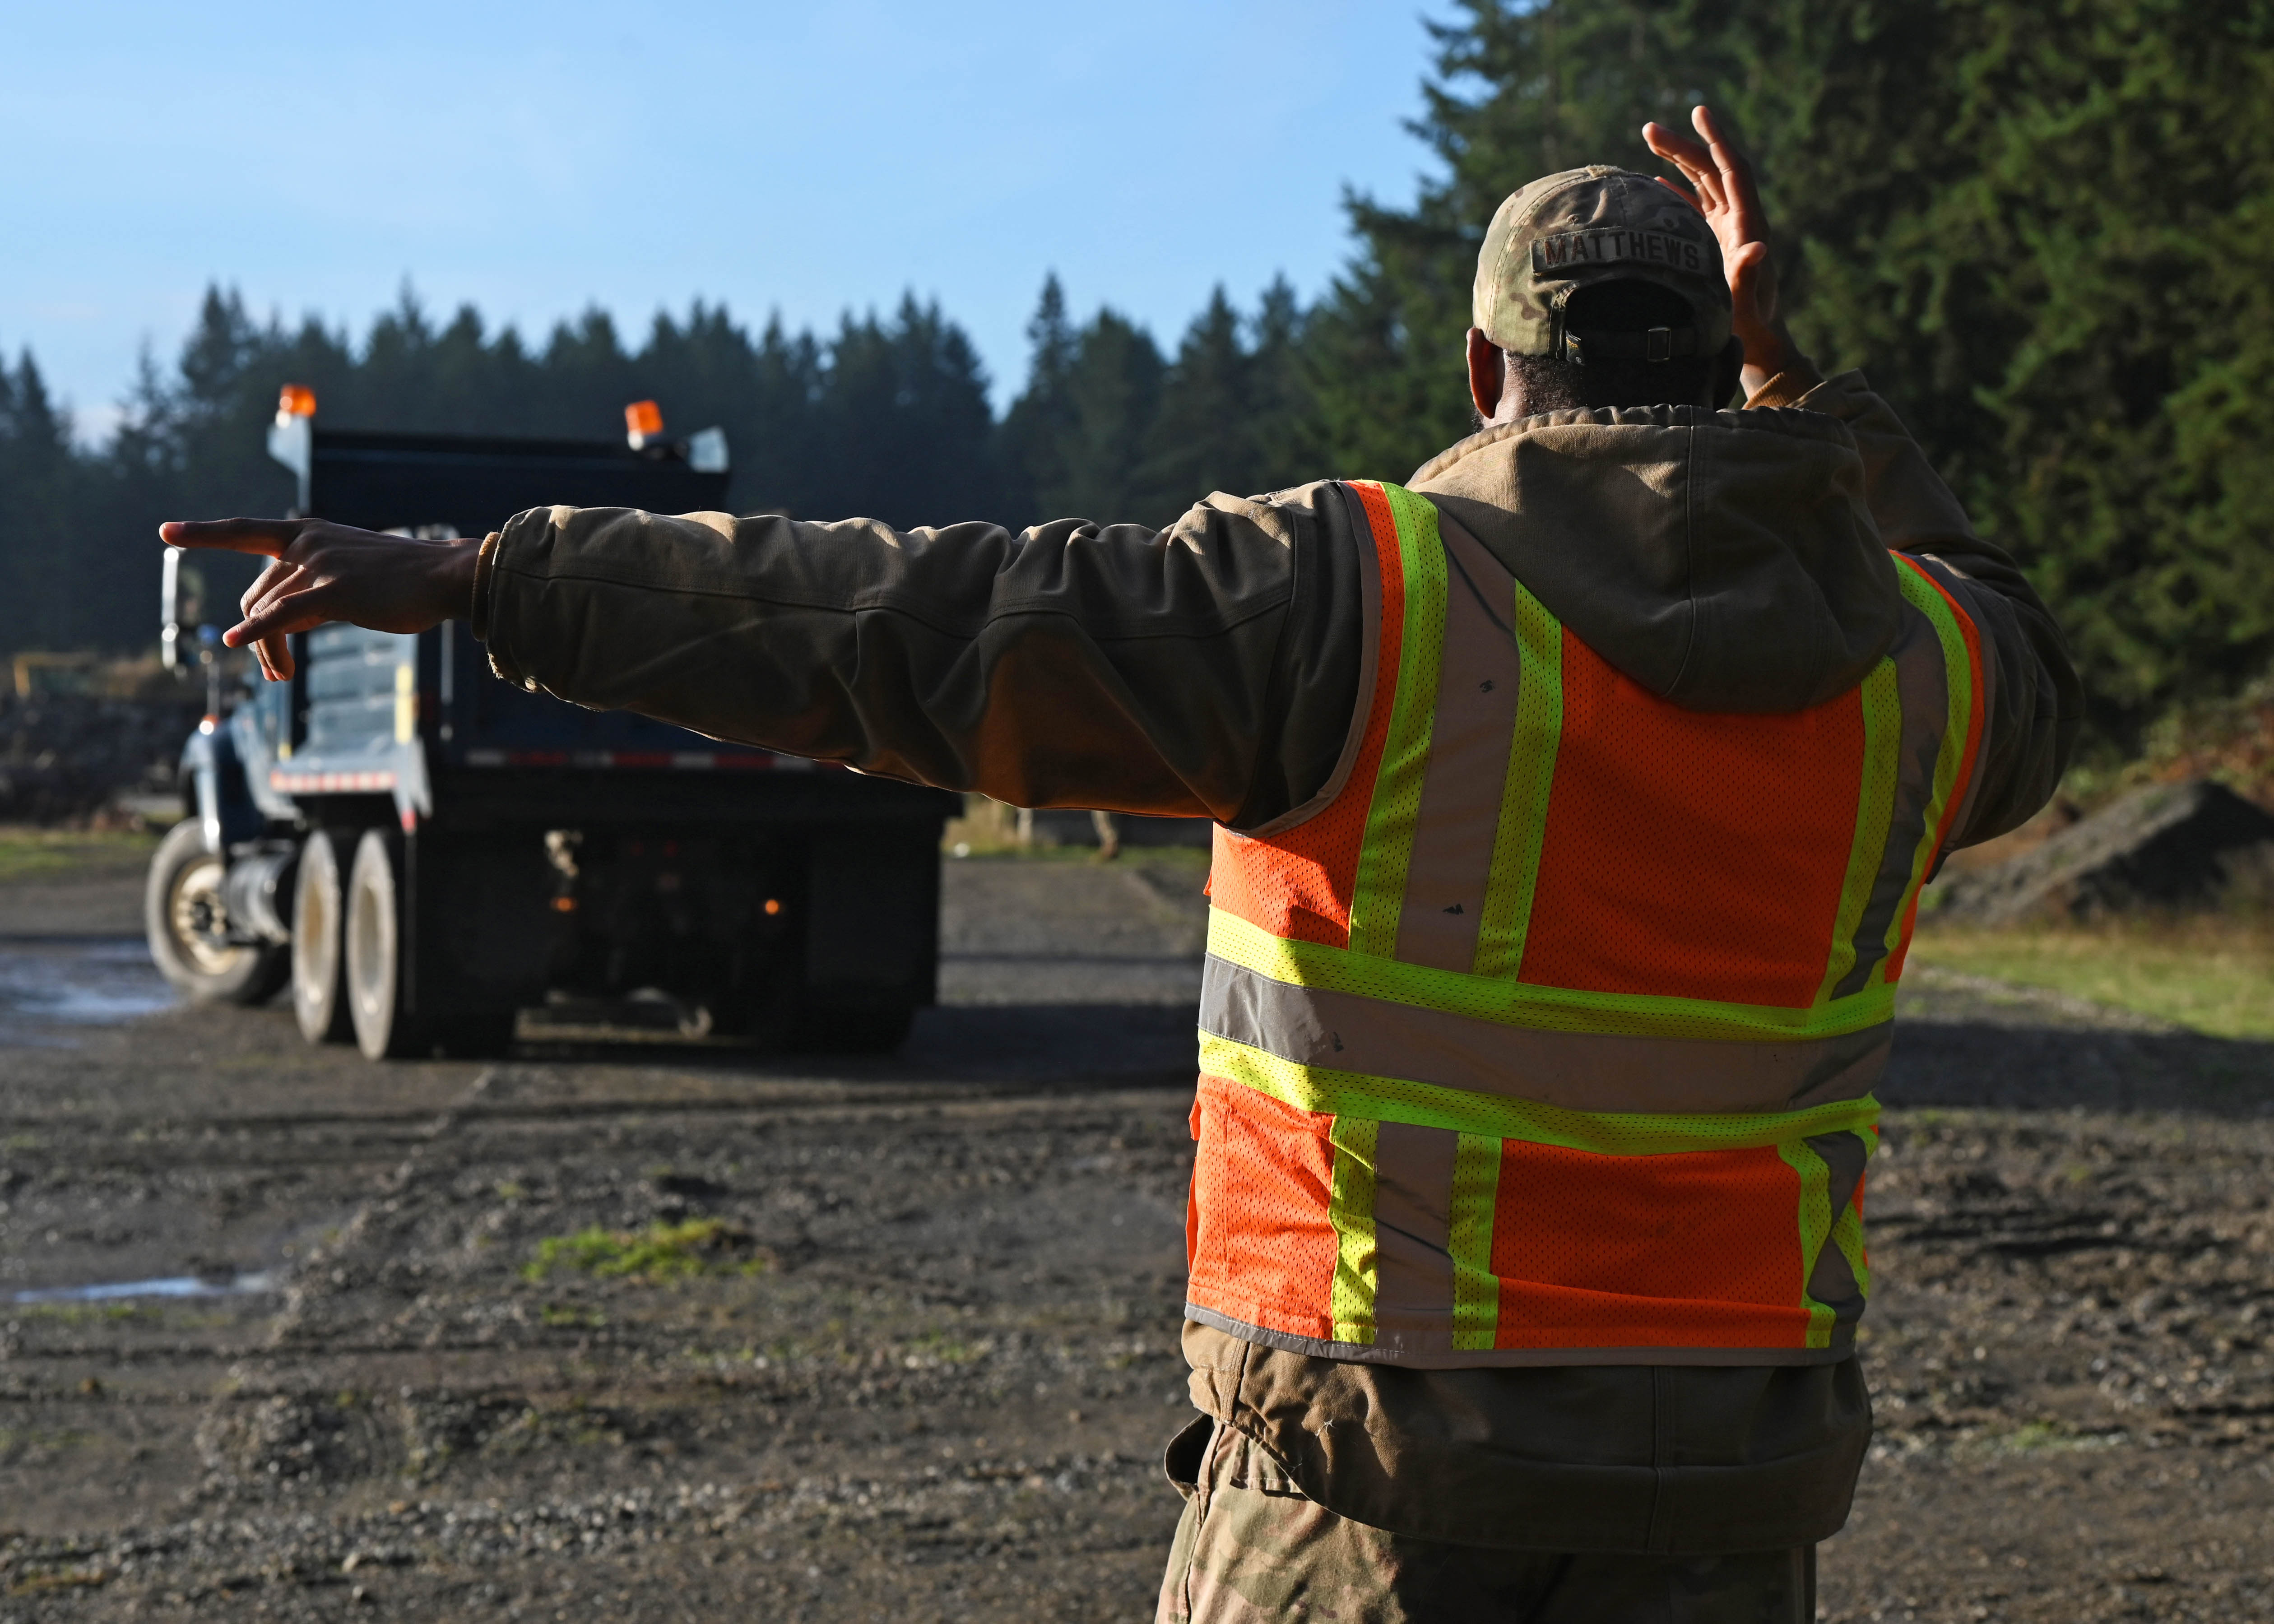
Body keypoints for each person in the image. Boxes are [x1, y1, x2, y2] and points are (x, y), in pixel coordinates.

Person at [167, 107, 2076, 1623]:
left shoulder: (1361, 600)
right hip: (1734, 1489)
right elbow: (2017, 631)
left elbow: (913, 623)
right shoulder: (1928, 664)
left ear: (1487, 368)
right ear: (1718, 349)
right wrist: (1803, 391)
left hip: (1376, 1480)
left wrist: (493, 573)